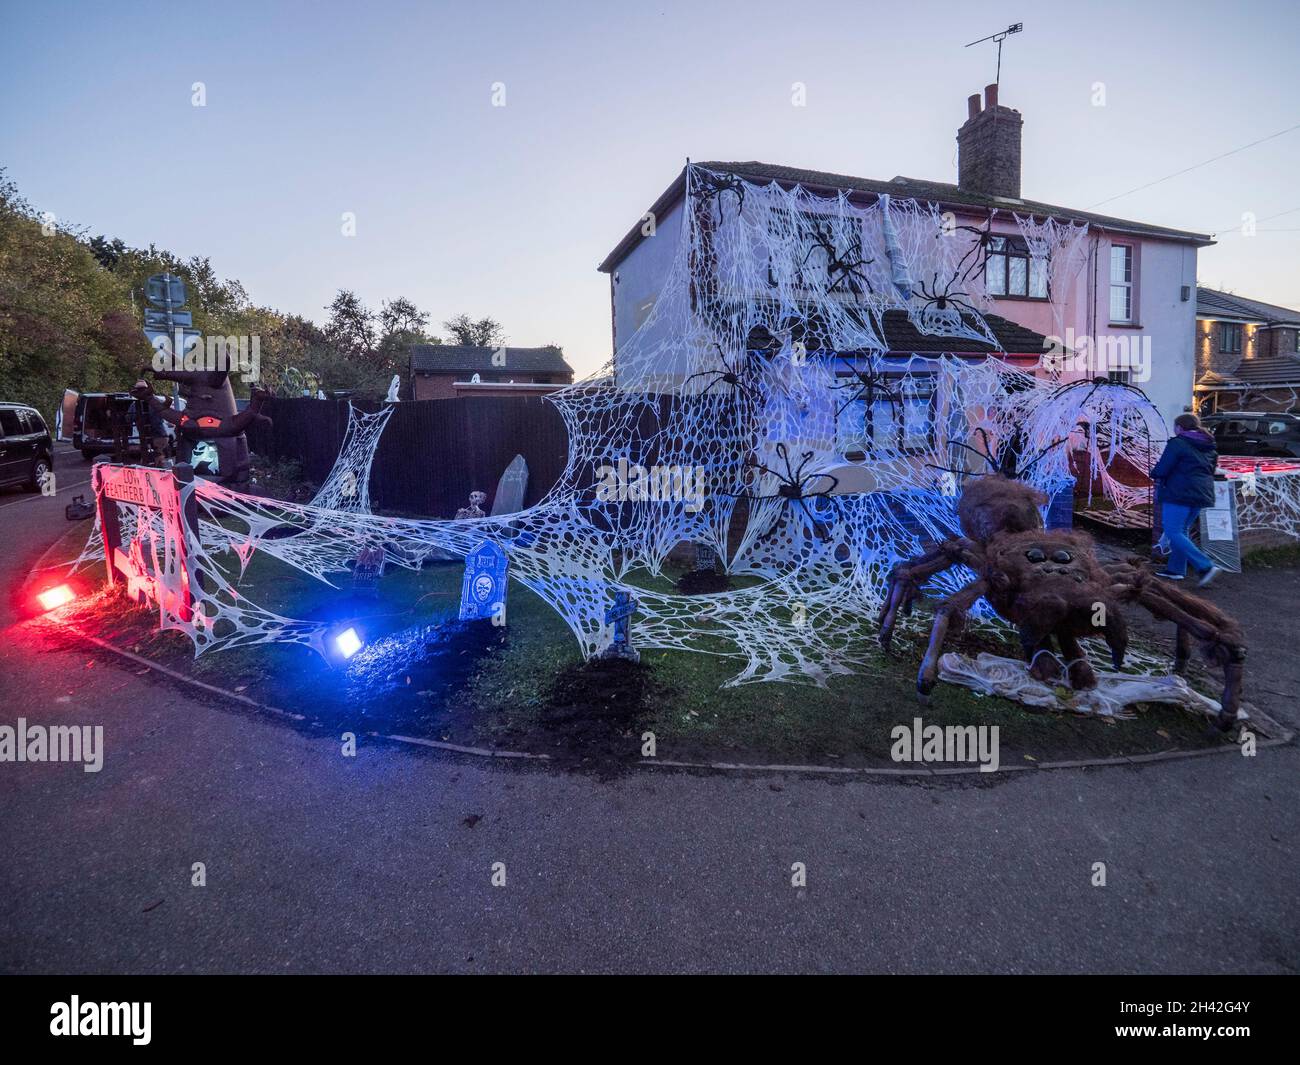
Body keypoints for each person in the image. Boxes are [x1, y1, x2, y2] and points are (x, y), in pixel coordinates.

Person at [1150, 413, 1221, 586]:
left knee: (1173, 530)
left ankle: (1205, 566)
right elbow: (1211, 469)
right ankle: (1176, 570)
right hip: (1201, 494)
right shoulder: (1209, 445)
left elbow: (1163, 468)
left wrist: (1154, 473)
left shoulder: (1178, 443)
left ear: (1179, 427)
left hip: (1179, 493)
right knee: (1182, 530)